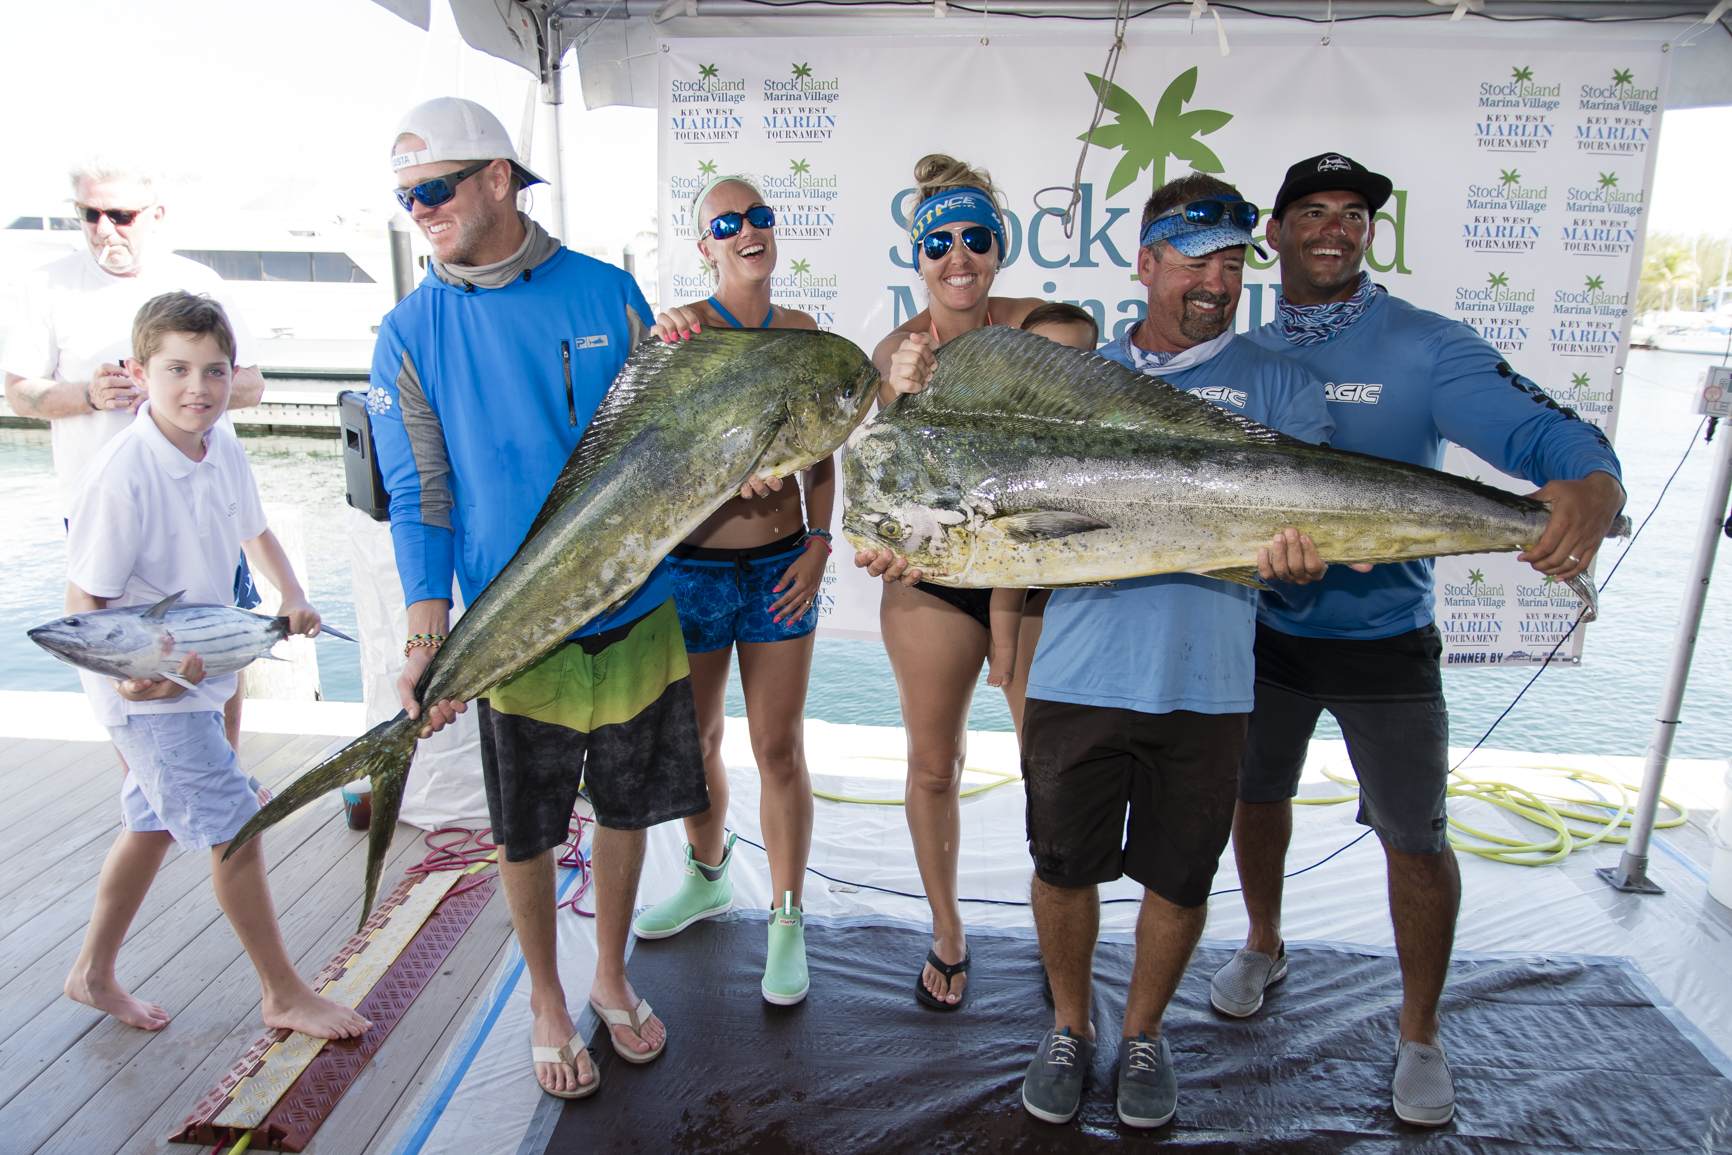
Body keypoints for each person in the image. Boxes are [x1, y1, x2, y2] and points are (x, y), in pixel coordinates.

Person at [1218, 153, 1626, 1128]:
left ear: (1367, 234)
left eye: (1352, 213)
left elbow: (1549, 439)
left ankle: (1418, 1030)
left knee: (1414, 838)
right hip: (1258, 634)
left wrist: (1593, 483)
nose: (1332, 227)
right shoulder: (1242, 361)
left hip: (1384, 640)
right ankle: (1263, 942)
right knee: (1252, 794)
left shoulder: (1425, 345)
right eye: (1310, 210)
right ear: (1271, 235)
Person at [370, 98, 705, 1100]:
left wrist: (691, 362)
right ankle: (546, 999)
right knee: (526, 825)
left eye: (434, 189)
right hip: (515, 632)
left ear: (499, 180)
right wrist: (429, 625)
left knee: (625, 810)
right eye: (404, 197)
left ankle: (607, 974)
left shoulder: (610, 292)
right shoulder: (405, 329)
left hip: (637, 606)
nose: (418, 209)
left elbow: (672, 441)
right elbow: (420, 493)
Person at [1014, 174, 1334, 1129]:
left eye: (1233, 263)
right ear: (1145, 261)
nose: (1215, 281)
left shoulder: (1284, 386)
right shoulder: (1082, 378)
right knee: (1063, 863)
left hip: (1210, 682)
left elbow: (1304, 559)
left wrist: (1295, 562)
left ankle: (1144, 1030)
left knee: (1182, 874)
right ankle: (1071, 1025)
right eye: (1194, 260)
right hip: (1077, 671)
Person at [60, 291, 365, 1041]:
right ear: (140, 371)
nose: (197, 387)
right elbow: (83, 601)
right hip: (150, 691)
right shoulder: (122, 473)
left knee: (155, 824)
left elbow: (253, 529)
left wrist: (293, 593)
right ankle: (283, 993)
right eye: (176, 369)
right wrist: (134, 679)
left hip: (203, 674)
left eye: (214, 370)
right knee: (239, 825)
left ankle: (91, 973)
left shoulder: (219, 440)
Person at [629, 173, 830, 1007]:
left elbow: (823, 451)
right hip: (695, 569)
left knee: (778, 746)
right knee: (700, 739)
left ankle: (786, 915)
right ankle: (708, 874)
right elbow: (651, 455)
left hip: (784, 565)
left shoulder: (803, 330)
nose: (748, 231)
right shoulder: (679, 333)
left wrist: (820, 540)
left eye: (759, 217)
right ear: (704, 243)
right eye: (727, 222)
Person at [854, 154, 1044, 1010]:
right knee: (935, 764)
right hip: (935, 579)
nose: (957, 256)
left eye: (975, 238)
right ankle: (947, 927)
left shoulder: (1045, 329)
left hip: (1032, 573)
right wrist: (901, 399)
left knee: (1054, 763)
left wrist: (1007, 616)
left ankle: (1061, 919)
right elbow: (886, 488)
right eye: (940, 241)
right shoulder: (892, 353)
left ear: (998, 247)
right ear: (918, 255)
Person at [3, 160, 267, 753]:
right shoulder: (45, 284)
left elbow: (250, 384)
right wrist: (88, 395)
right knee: (125, 662)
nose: (103, 228)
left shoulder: (200, 282)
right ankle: (148, 784)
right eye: (88, 214)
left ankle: (226, 770)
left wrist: (172, 390)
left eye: (119, 214)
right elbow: (19, 392)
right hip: (108, 511)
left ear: (155, 216)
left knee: (217, 638)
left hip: (200, 505)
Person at [985, 303, 1100, 736]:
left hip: (1080, 567)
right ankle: (1006, 650)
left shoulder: (1101, 414)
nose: (1059, 369)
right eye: (1044, 356)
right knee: (1009, 575)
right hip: (1028, 550)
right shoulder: (1014, 417)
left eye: (1074, 358)